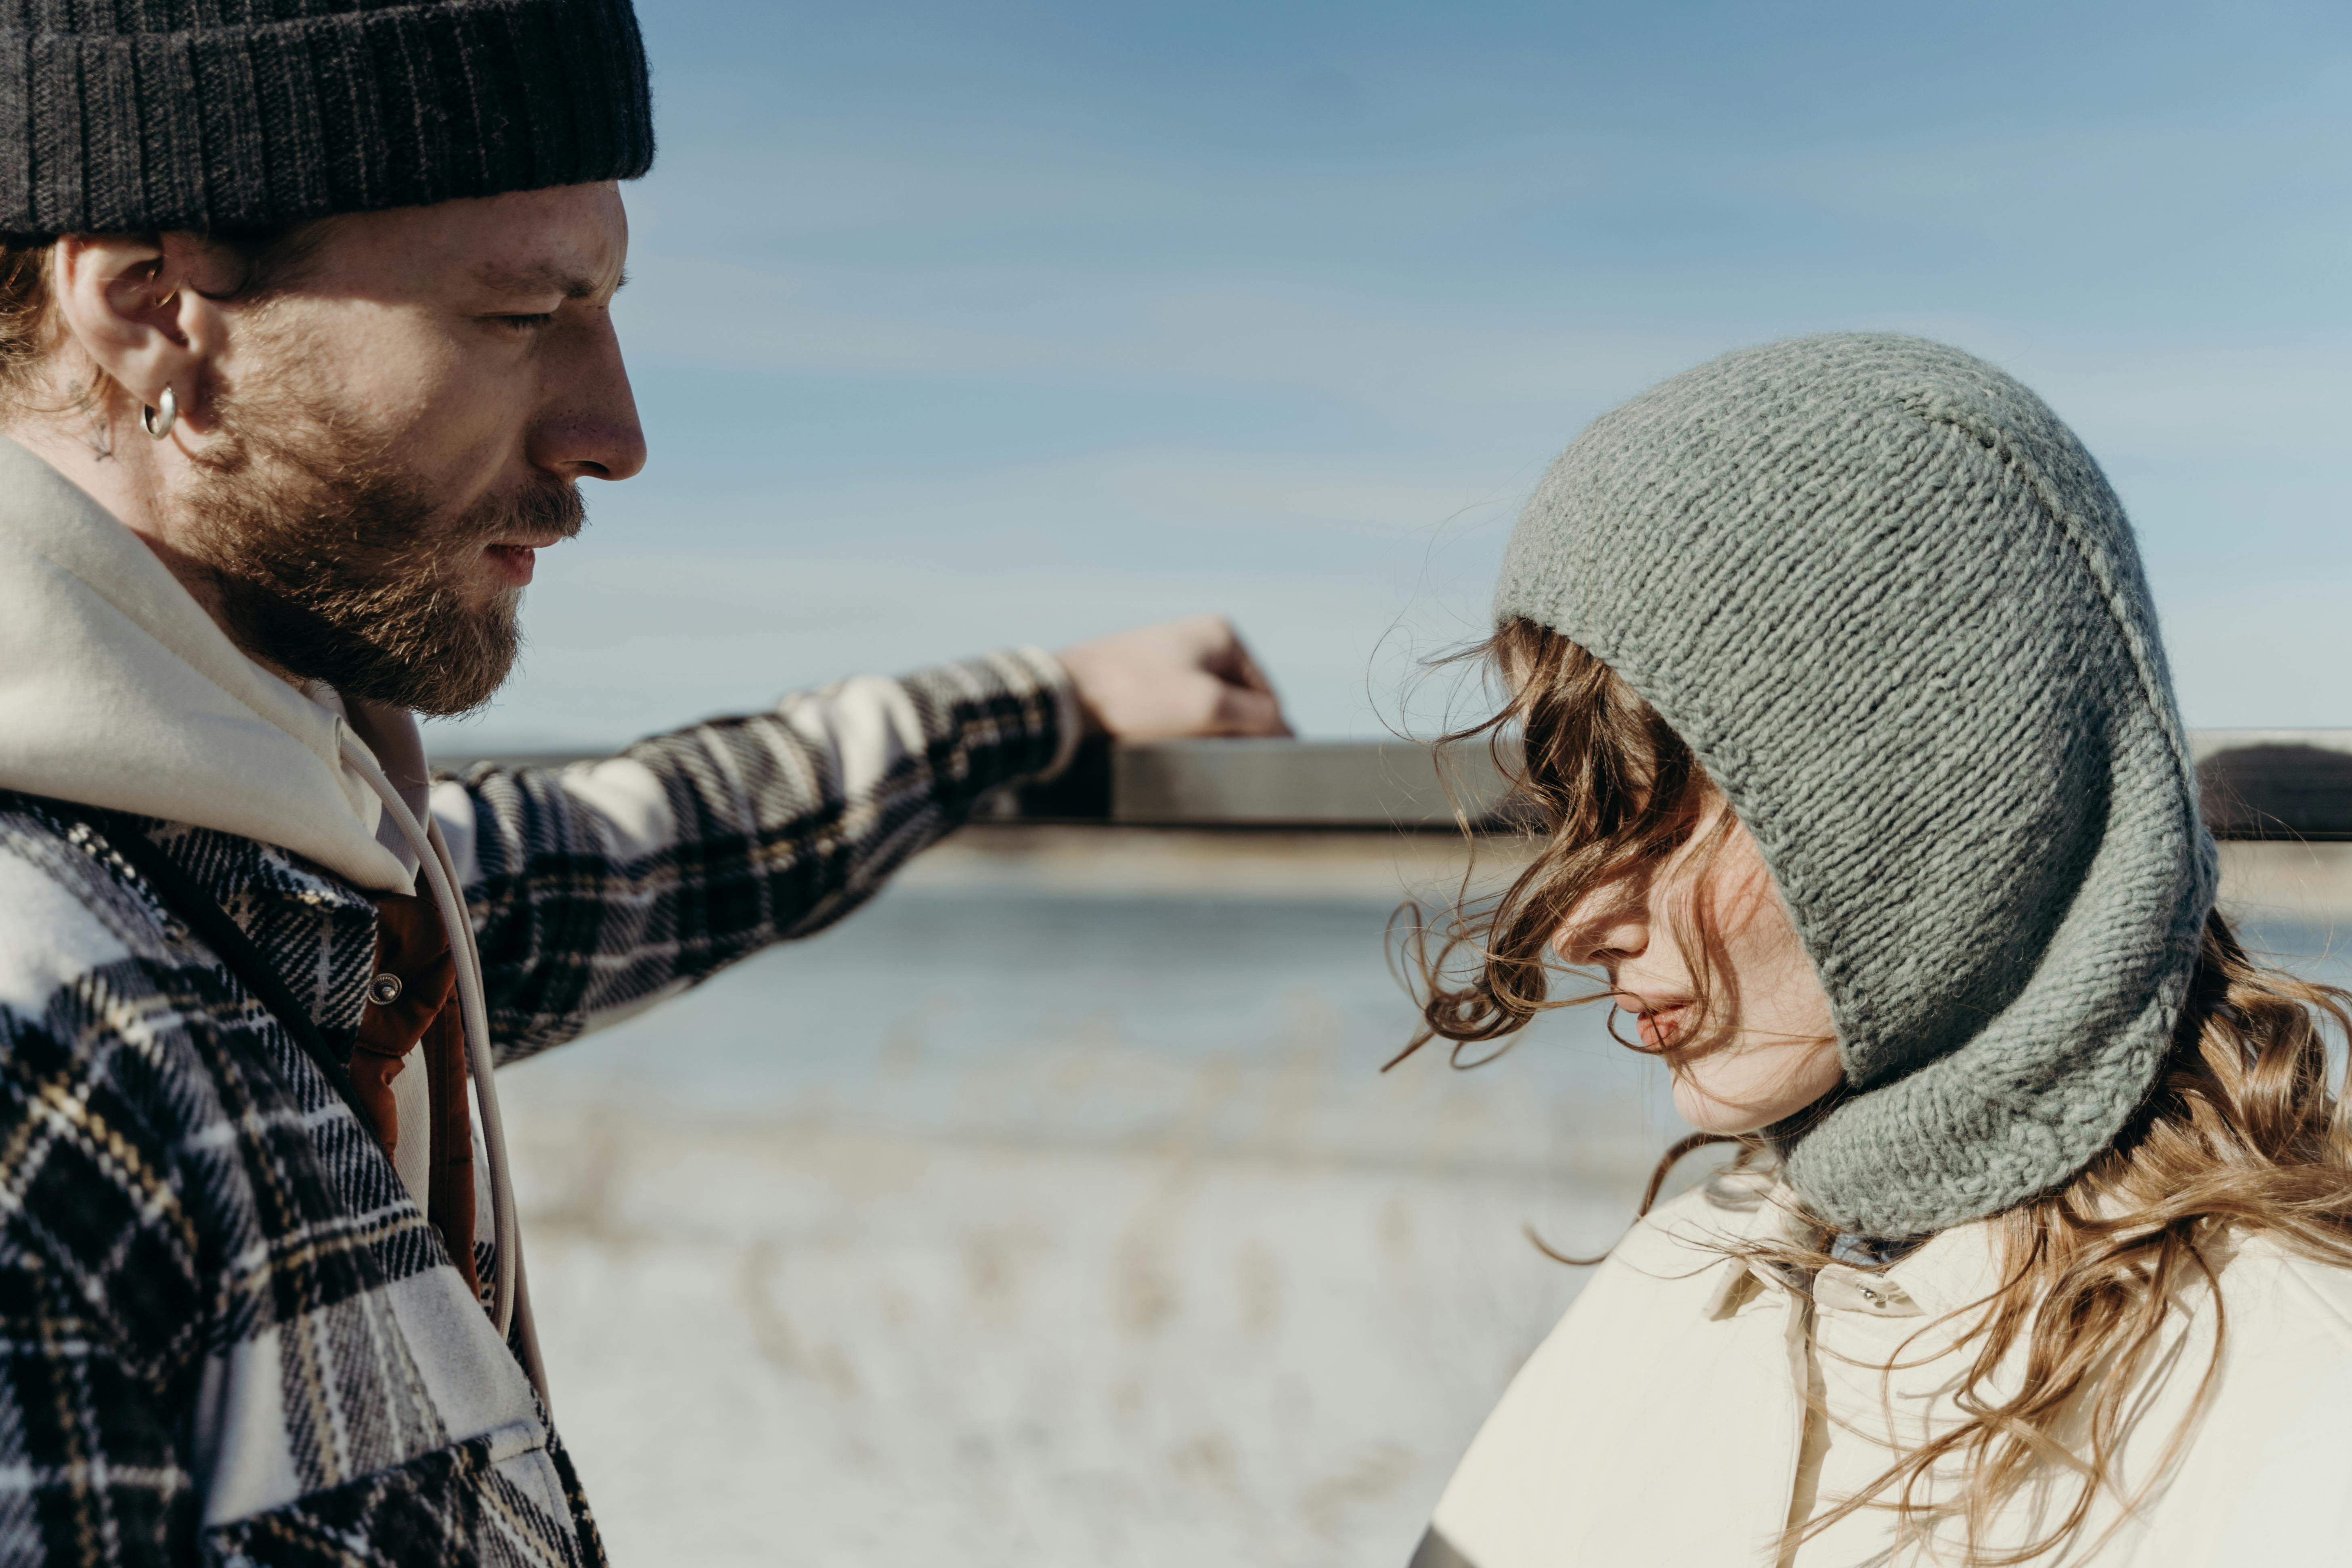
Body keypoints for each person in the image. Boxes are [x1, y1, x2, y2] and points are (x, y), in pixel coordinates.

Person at [0, 3, 1286, 1562]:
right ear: (150, 307)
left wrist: (1038, 704)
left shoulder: (250, 846)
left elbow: (611, 858)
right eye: (524, 314)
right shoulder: (45, 1042)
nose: (617, 436)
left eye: (603, 309)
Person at [1400, 334, 2352, 1566]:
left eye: (1660, 811)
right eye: (1577, 814)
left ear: (1931, 809)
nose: (1578, 919)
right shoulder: (1696, 1263)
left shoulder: (2295, 1401)